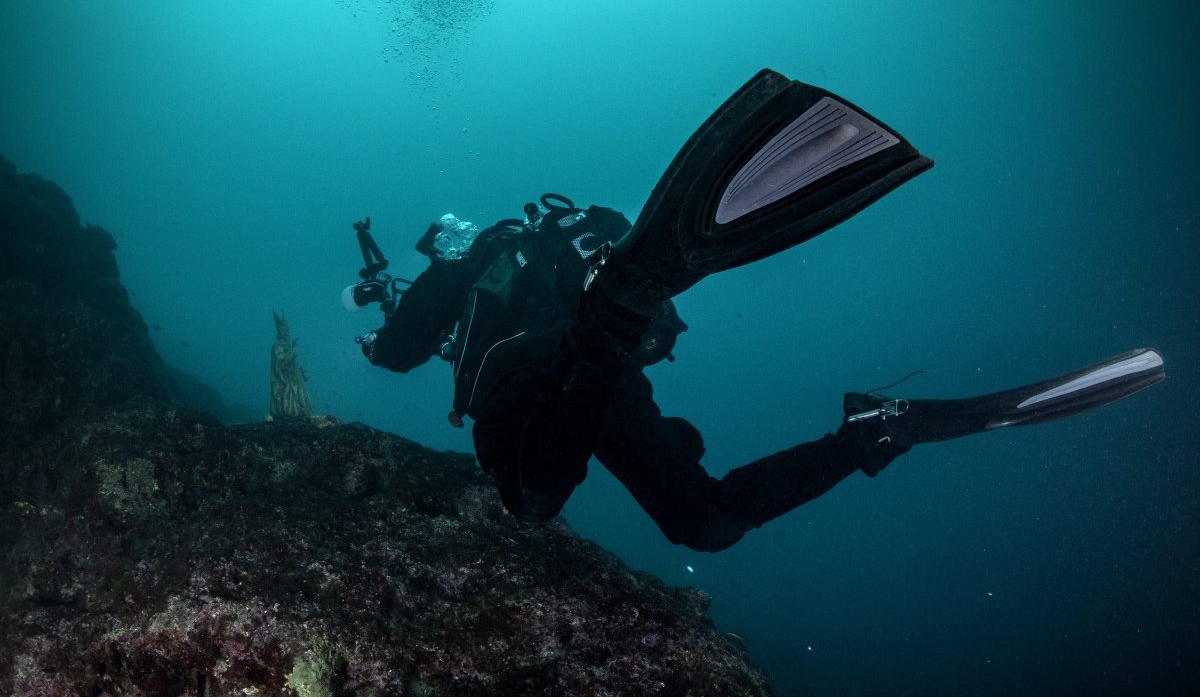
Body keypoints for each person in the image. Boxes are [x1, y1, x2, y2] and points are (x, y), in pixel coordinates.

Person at [357, 69, 1165, 552]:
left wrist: (381, 337)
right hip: (601, 370)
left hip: (533, 366)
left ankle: (624, 305)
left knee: (533, 499)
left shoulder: (485, 253)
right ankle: (873, 433)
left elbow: (399, 351)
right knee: (705, 523)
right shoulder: (538, 249)